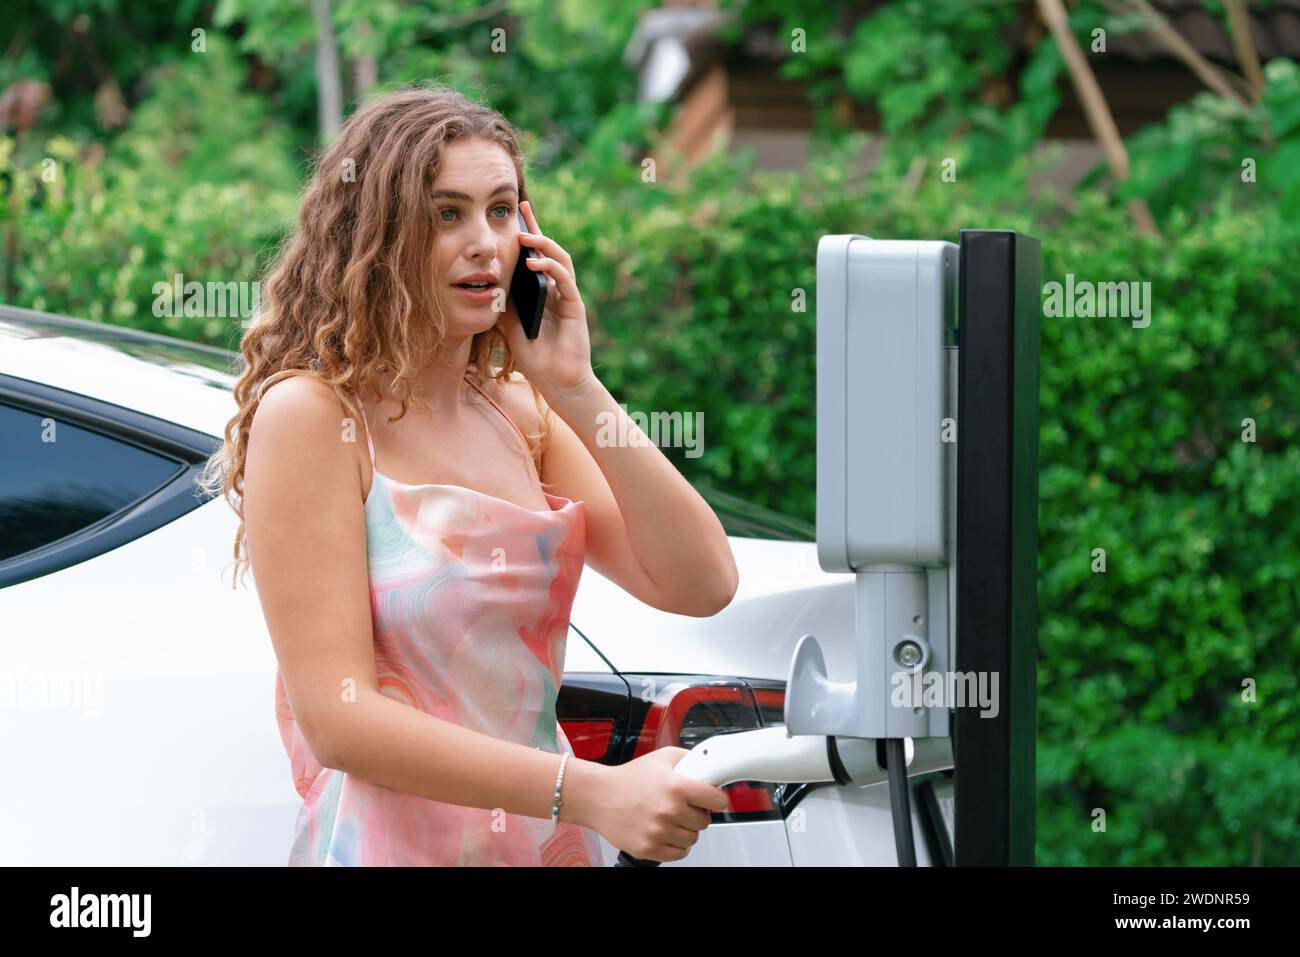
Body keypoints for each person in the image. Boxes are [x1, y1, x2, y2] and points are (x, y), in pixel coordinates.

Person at [198, 85, 738, 866]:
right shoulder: (314, 416)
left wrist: (577, 387)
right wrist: (590, 790)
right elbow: (339, 720)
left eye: (501, 209)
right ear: (375, 233)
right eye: (446, 214)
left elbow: (701, 581)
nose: (485, 243)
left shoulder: (524, 413)